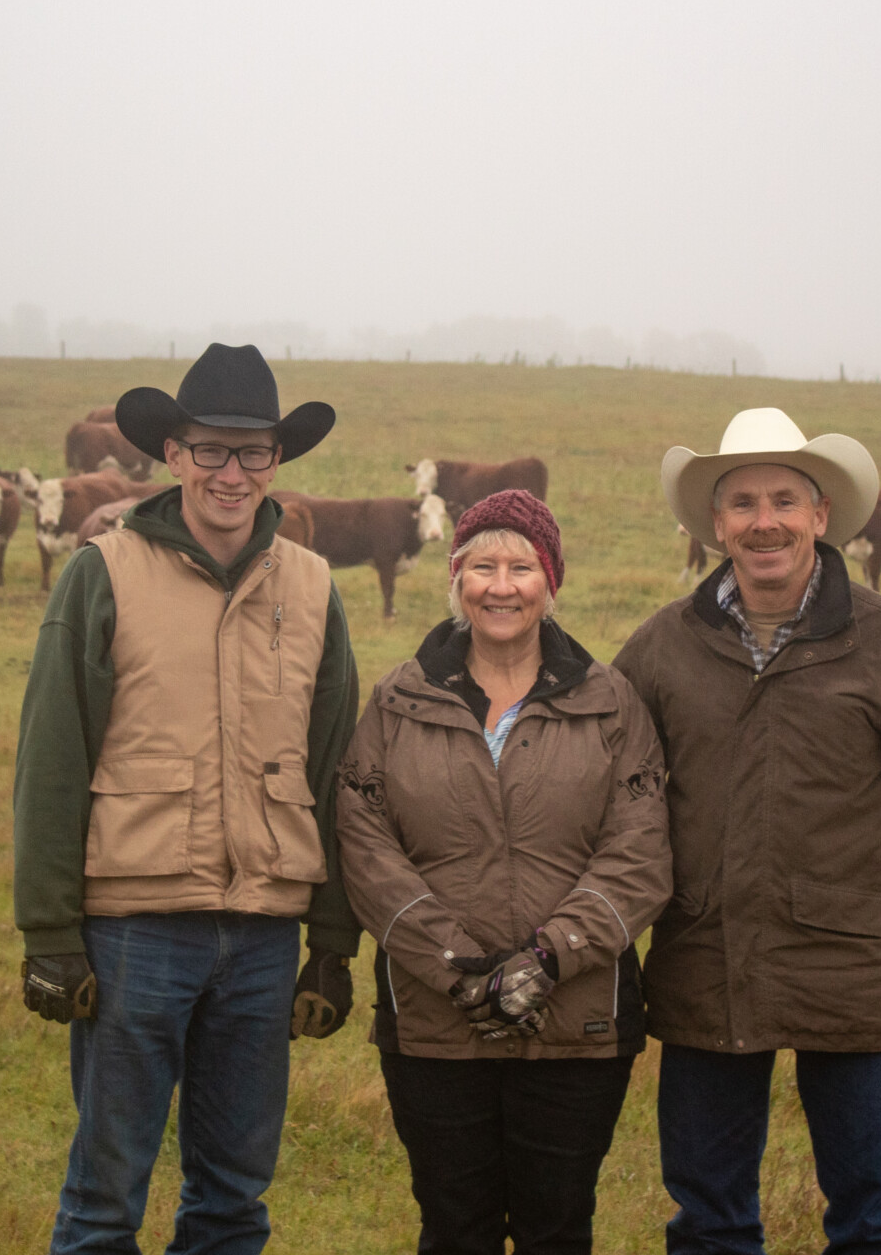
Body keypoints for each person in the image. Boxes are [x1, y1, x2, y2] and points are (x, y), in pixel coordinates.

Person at [12, 342, 362, 1254]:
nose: (230, 473)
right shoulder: (103, 572)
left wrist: (331, 943)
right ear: (171, 454)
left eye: (252, 451)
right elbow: (51, 758)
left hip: (262, 939)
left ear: (276, 461)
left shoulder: (313, 587)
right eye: (210, 449)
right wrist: (49, 934)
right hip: (135, 933)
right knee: (105, 1198)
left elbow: (335, 770)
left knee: (234, 1200)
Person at [612, 408, 881, 1255]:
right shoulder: (662, 648)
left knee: (869, 1217)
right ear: (717, 524)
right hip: (707, 961)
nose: (765, 522)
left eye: (785, 500)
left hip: (854, 973)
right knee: (709, 1219)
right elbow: (614, 796)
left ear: (821, 515)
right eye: (743, 503)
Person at [336, 490, 672, 1255]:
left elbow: (640, 848)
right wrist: (456, 967)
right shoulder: (399, 700)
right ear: (456, 580)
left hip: (577, 1024)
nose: (501, 586)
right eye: (481, 567)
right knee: (456, 1229)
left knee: (558, 1230)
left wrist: (548, 959)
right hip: (435, 1025)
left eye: (522, 567)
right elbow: (363, 840)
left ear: (551, 582)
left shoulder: (611, 703)